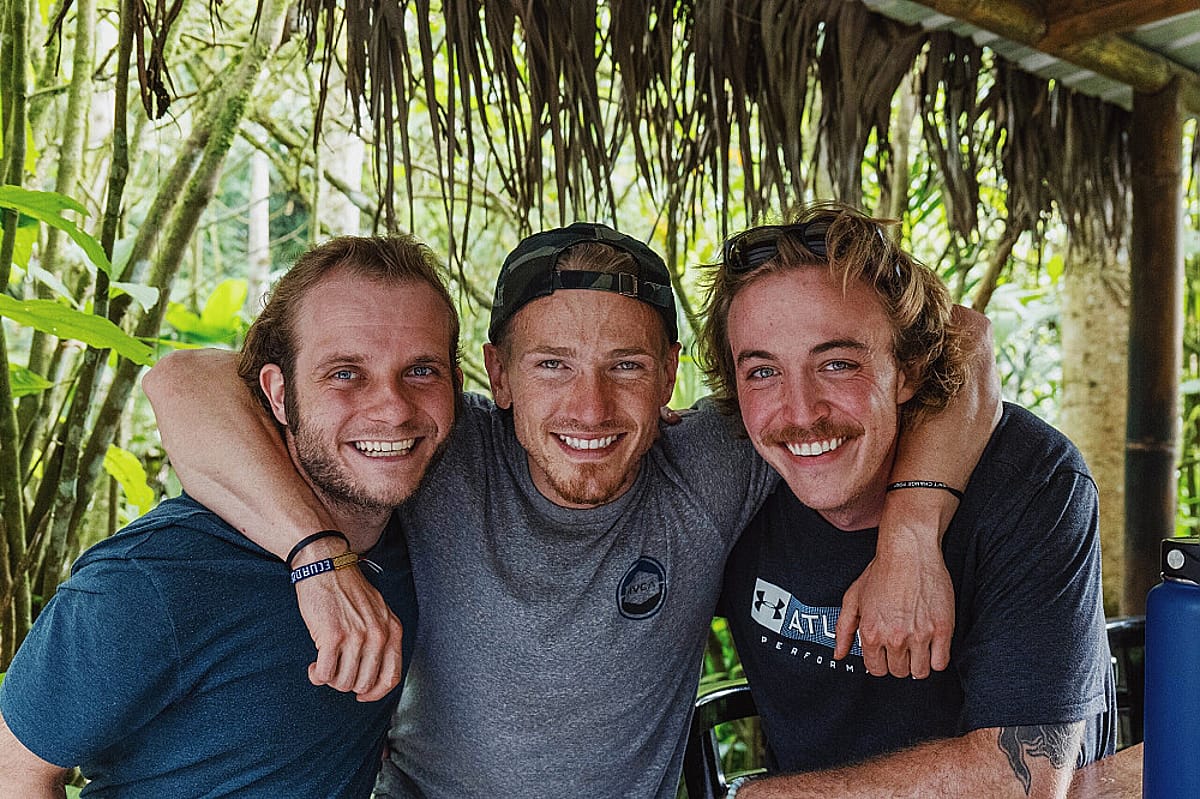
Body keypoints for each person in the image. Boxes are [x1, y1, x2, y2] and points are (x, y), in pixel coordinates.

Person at [142, 223, 999, 797]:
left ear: (668, 377)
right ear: (499, 375)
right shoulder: (437, 447)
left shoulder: (712, 459)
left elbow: (964, 337)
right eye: (552, 364)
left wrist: (912, 534)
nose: (590, 407)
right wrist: (318, 557)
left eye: (626, 366)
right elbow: (180, 379)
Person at [0, 236, 461, 798]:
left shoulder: (422, 530)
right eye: (345, 374)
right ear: (279, 394)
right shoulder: (154, 580)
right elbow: (12, 773)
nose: (392, 408)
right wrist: (319, 559)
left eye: (421, 370)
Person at [698, 204, 1115, 798]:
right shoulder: (732, 480)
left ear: (908, 370)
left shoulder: (1030, 482)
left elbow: (1020, 781)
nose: (800, 412)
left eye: (838, 364)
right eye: (763, 372)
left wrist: (765, 797)